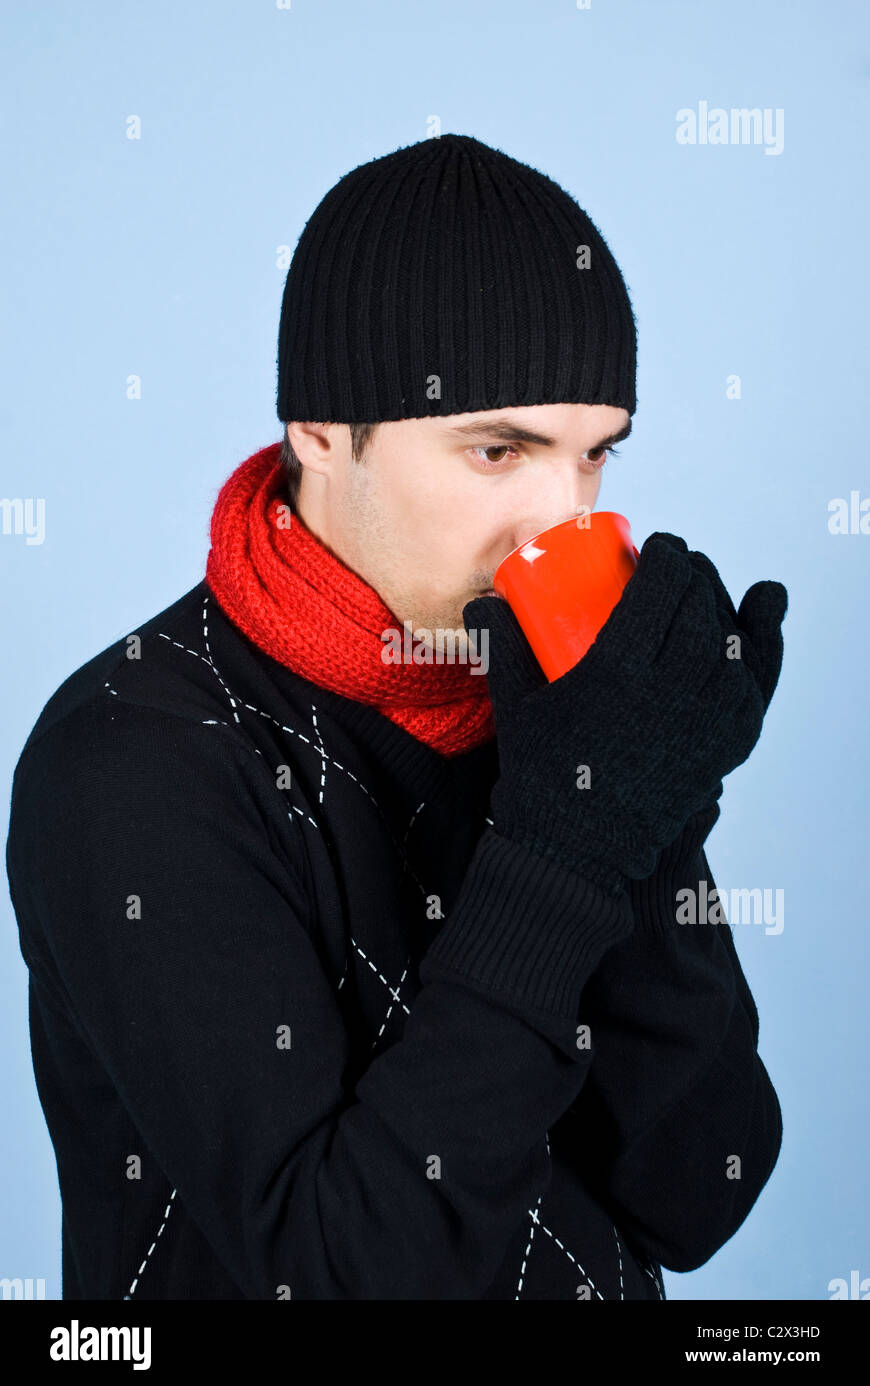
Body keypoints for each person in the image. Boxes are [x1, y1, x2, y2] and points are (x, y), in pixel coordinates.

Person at [5, 132, 787, 1300]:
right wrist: (567, 848)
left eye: (594, 459)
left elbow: (697, 1190)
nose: (556, 520)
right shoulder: (133, 756)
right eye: (497, 448)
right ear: (320, 434)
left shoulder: (558, 717)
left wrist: (652, 804)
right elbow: (348, 1272)